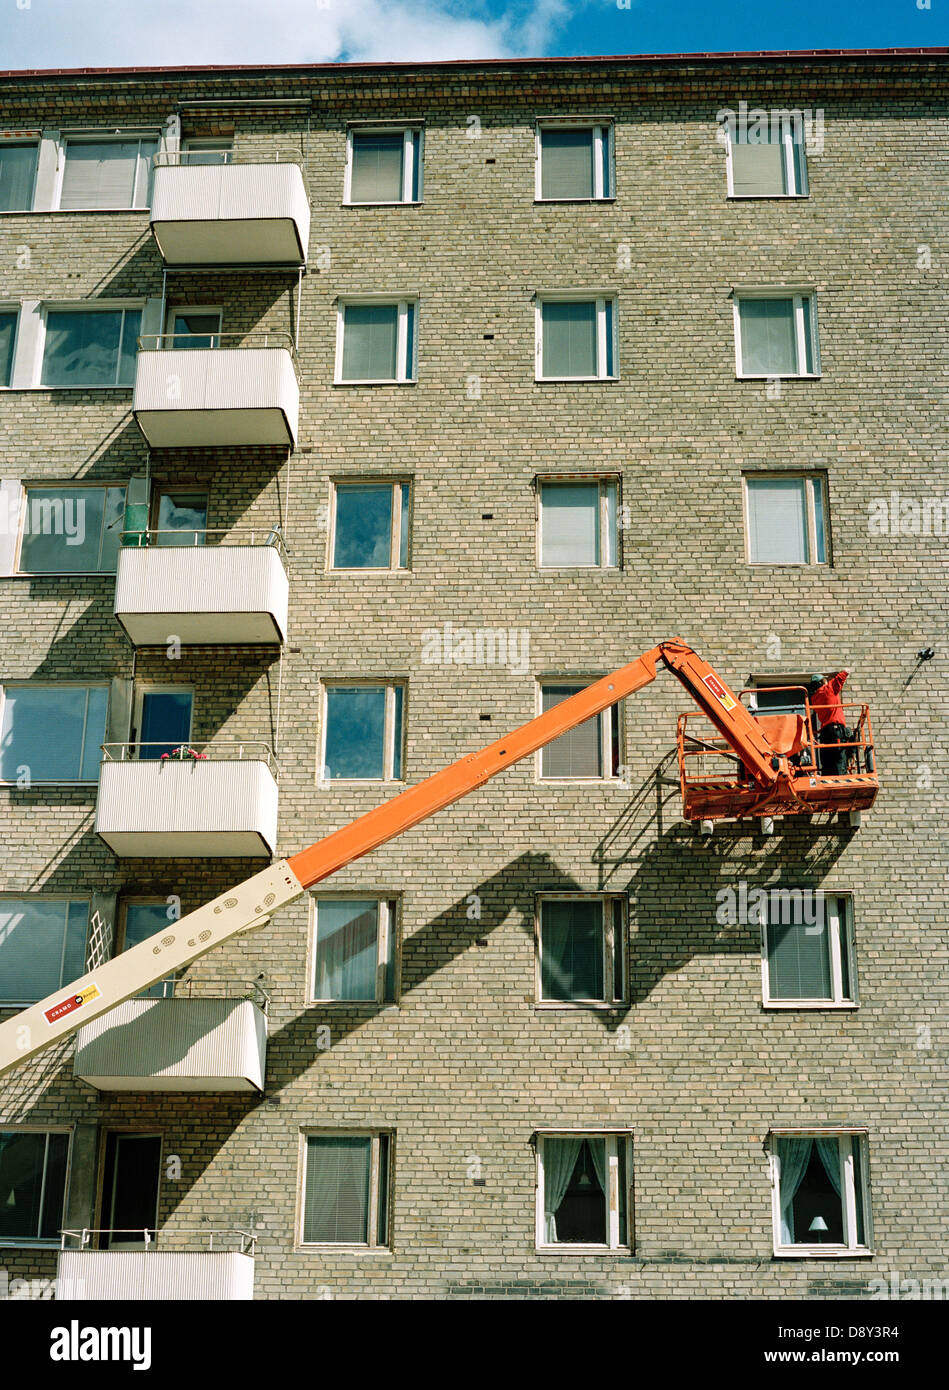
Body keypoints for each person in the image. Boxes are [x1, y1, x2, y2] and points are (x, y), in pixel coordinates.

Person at [810, 670, 850, 776]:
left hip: (825, 732)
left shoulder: (814, 698)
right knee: (838, 757)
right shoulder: (829, 689)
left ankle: (828, 777)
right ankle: (841, 778)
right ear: (822, 682)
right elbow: (840, 678)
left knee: (828, 760)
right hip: (835, 729)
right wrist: (846, 671)